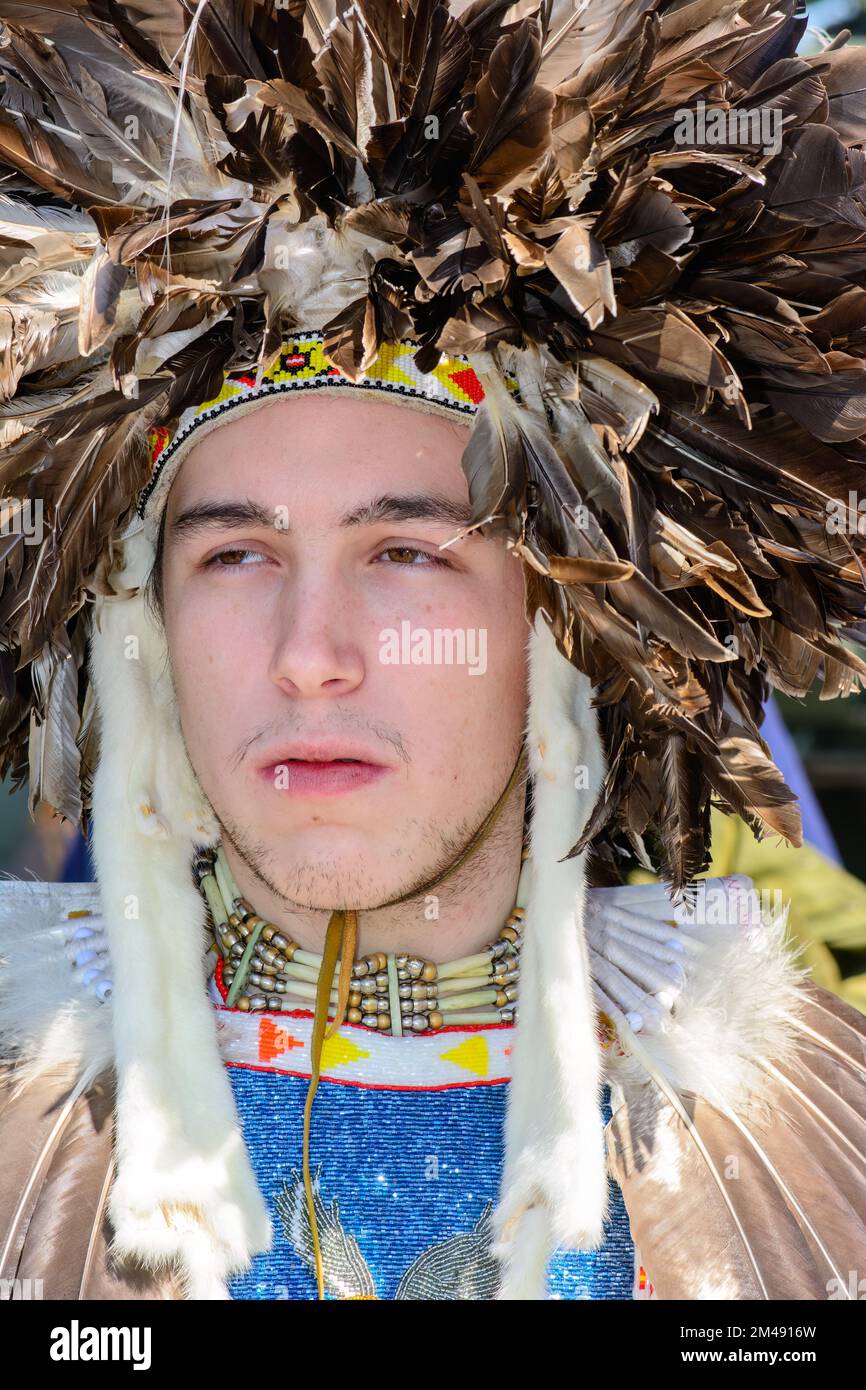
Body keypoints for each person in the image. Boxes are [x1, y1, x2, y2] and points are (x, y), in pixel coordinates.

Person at [1, 0, 866, 1303]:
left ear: (577, 627)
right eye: (235, 555)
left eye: (406, 551)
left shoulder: (815, 1135)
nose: (310, 657)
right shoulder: (27, 1103)